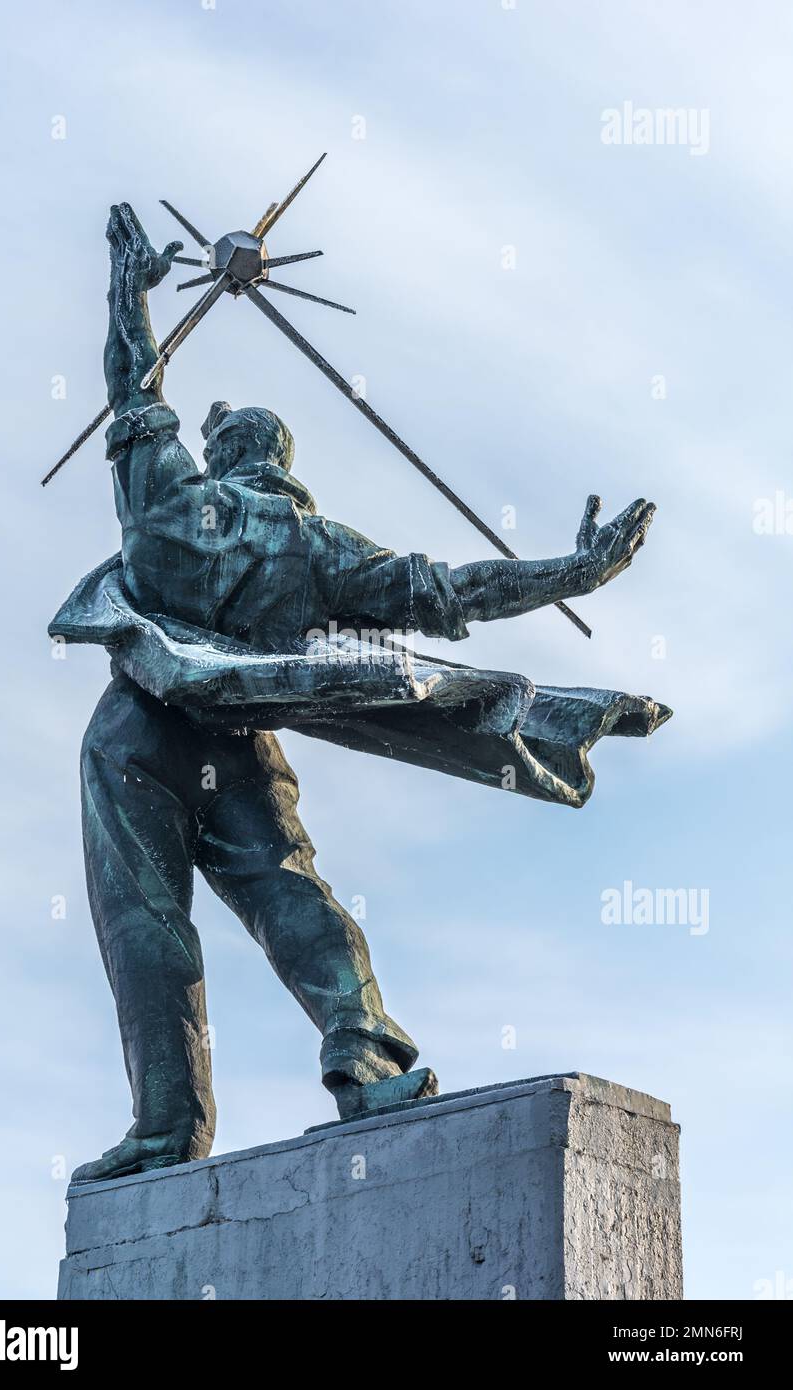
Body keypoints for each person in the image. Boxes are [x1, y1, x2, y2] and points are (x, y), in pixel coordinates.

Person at [51, 204, 668, 1183]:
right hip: (238, 741)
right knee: (292, 892)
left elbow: (133, 384)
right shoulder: (315, 545)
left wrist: (127, 293)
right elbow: (452, 591)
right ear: (282, 466)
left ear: (222, 456)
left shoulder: (169, 500)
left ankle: (167, 1127)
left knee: (147, 923)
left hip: (133, 738)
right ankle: (369, 1065)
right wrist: (572, 572)